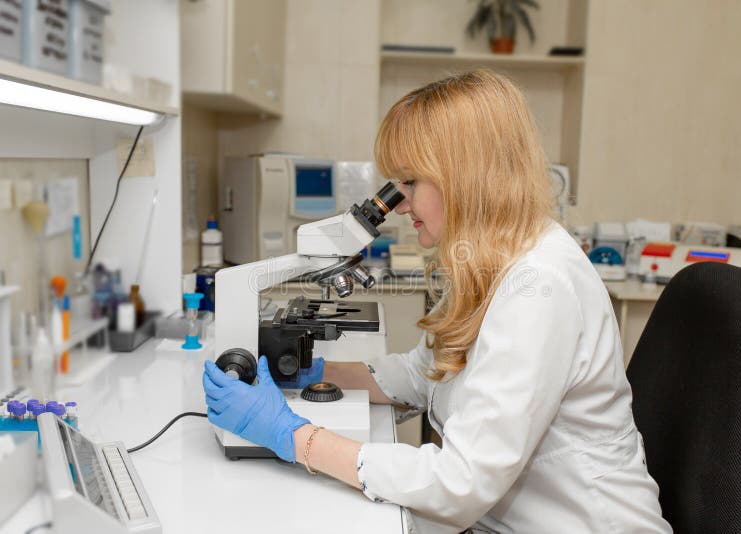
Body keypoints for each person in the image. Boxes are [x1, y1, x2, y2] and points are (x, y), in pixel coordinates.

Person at [203, 69, 672, 533]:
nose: (399, 205)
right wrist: (317, 373)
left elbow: (459, 484)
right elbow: (427, 373)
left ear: (465, 178)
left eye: (409, 183)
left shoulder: (539, 286)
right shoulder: (491, 257)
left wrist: (295, 437)